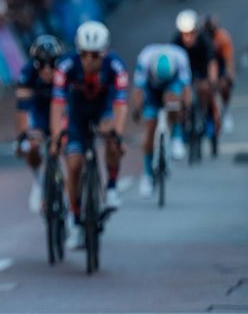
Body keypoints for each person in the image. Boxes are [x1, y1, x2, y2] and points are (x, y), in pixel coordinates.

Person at [49, 21, 128, 251]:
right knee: (74, 165)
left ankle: (112, 187)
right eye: (84, 55)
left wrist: (118, 135)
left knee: (112, 136)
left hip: (103, 110)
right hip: (77, 114)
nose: (89, 61)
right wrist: (56, 137)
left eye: (95, 56)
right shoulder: (65, 67)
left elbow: (121, 105)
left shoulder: (116, 67)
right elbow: (57, 104)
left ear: (104, 53)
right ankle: (75, 221)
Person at [130, 43, 192, 198]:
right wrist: (137, 109)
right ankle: (147, 174)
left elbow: (186, 89)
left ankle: (177, 135)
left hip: (172, 85)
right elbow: (137, 89)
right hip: (151, 90)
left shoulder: (180, 57)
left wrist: (185, 108)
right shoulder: (144, 59)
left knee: (172, 100)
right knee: (149, 130)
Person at [14, 34, 64, 213]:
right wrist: (22, 136)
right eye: (42, 65)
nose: (47, 70)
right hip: (40, 112)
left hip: (62, 110)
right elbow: (23, 109)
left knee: (69, 144)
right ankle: (38, 182)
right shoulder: (27, 73)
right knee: (32, 145)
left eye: (52, 64)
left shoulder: (66, 71)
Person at [172, 9, 220, 143]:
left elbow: (212, 62)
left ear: (196, 31)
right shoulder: (176, 41)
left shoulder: (205, 40)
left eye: (191, 34)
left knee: (205, 89)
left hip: (201, 70)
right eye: (184, 34)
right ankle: (182, 125)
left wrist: (212, 81)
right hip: (184, 71)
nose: (187, 38)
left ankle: (208, 115)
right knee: (177, 96)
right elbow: (172, 63)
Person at [200, 15, 235, 133]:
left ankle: (224, 109)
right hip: (204, 66)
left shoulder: (222, 37)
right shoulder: (200, 38)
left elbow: (228, 59)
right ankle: (200, 112)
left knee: (225, 86)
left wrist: (229, 76)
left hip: (220, 66)